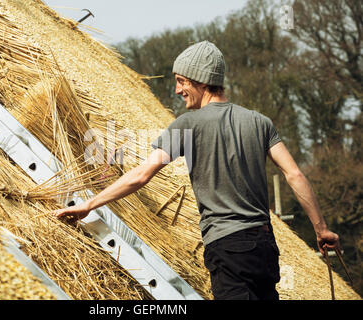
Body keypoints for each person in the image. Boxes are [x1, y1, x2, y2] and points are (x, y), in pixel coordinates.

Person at [51, 41, 340, 300]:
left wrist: (89, 204)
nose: (177, 90)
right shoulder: (259, 122)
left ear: (200, 82)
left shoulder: (187, 126)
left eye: (181, 81)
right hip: (264, 246)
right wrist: (321, 229)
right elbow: (295, 175)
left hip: (227, 247)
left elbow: (141, 175)